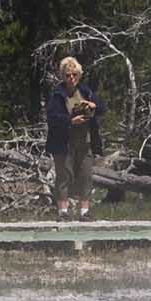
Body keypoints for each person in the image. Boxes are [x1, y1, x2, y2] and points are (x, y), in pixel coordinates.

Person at [45, 56, 102, 220]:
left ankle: (85, 212)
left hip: (84, 142)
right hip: (63, 143)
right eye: (68, 75)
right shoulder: (57, 94)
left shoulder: (85, 91)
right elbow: (53, 118)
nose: (71, 78)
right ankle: (63, 212)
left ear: (79, 75)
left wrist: (93, 105)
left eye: (74, 75)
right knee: (63, 176)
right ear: (63, 76)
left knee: (86, 175)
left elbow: (102, 108)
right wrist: (70, 120)